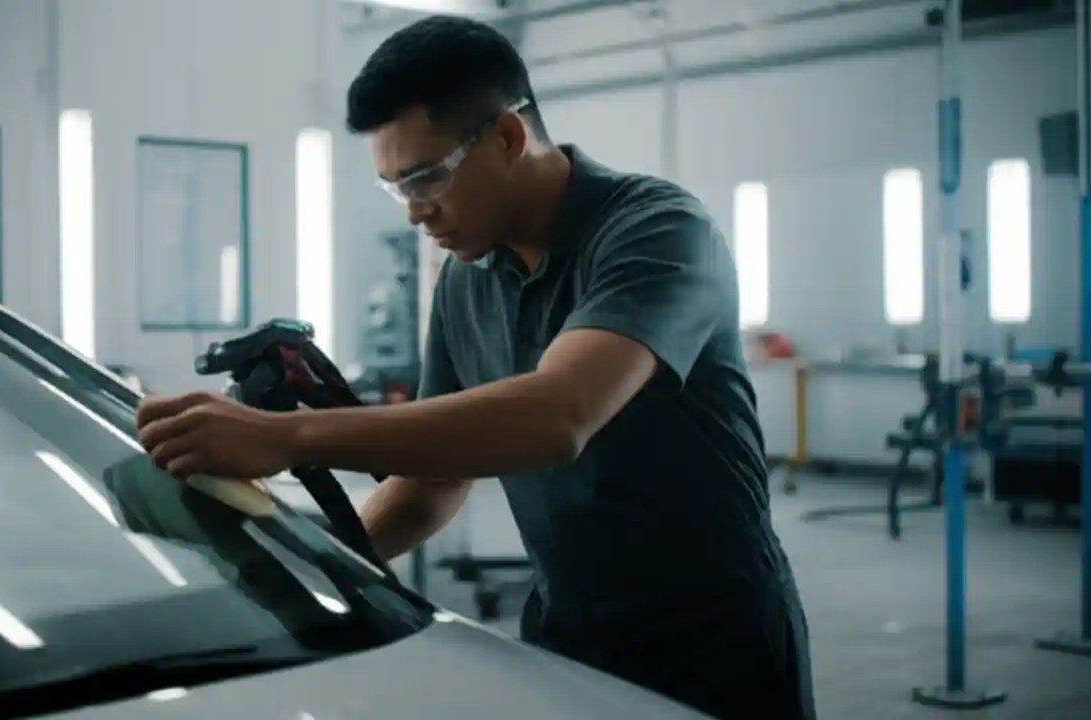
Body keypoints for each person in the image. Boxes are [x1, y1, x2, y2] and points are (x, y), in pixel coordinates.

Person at [136, 15, 814, 720]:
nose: (414, 212)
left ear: (510, 138)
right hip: (565, 637)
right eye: (395, 187)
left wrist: (289, 438)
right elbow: (432, 485)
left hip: (714, 647)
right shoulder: (464, 280)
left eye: (425, 178)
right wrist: (311, 566)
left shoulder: (656, 230)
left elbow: (557, 415)